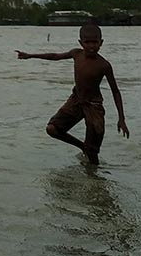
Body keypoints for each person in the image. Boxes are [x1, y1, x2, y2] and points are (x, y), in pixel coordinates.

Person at [15, 23, 129, 165]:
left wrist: (121, 119)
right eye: (87, 42)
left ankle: (95, 180)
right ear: (81, 43)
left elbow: (115, 91)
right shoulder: (76, 54)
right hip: (76, 100)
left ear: (101, 42)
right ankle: (83, 147)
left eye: (95, 42)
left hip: (94, 106)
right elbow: (55, 56)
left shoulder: (104, 65)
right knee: (52, 129)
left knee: (93, 152)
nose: (91, 46)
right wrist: (30, 55)